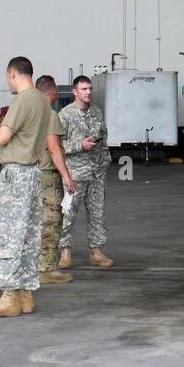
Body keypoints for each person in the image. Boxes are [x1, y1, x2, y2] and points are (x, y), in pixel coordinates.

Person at [0, 56, 51, 318]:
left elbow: (3, 138)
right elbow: (23, 131)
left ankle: (9, 296)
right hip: (33, 174)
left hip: (15, 174)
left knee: (8, 237)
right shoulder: (41, 100)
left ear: (12, 74)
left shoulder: (22, 99)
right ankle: (25, 295)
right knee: (29, 237)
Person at [57, 75, 114, 269]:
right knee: (68, 214)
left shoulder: (97, 112)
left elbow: (103, 137)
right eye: (84, 89)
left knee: (97, 213)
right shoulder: (65, 115)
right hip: (75, 173)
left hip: (96, 171)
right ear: (75, 92)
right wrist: (79, 145)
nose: (88, 92)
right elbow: (56, 145)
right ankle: (65, 252)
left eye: (90, 88)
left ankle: (96, 251)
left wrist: (105, 160)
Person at [34, 74, 77, 285]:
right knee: (52, 220)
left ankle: (36, 264)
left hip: (33, 173)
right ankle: (46, 268)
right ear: (53, 93)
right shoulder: (49, 116)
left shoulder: (29, 113)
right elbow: (53, 148)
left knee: (37, 220)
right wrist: (67, 176)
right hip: (49, 176)